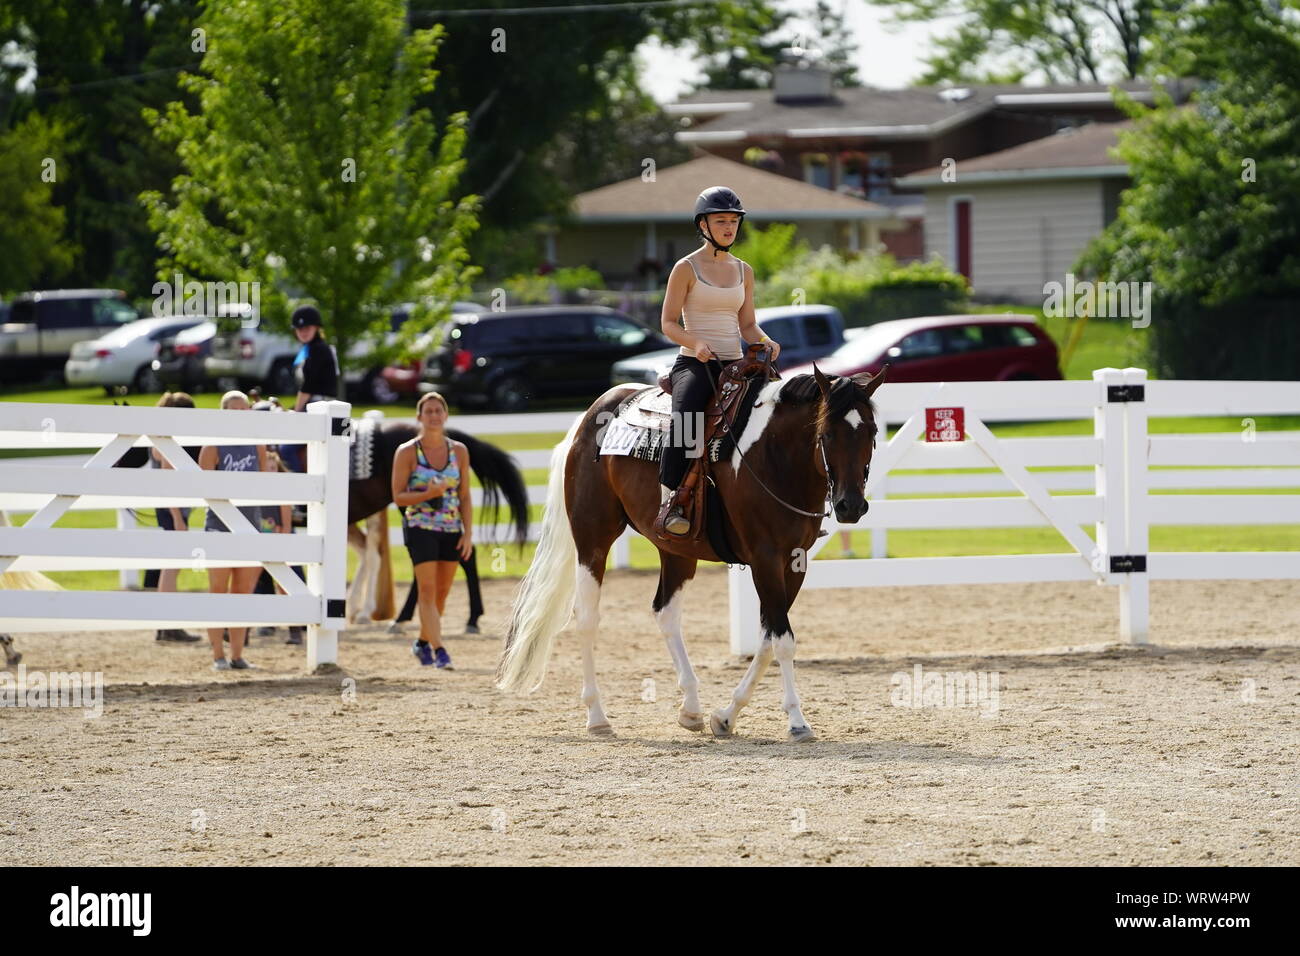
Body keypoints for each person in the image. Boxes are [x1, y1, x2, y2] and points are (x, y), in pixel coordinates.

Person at [656, 186, 782, 535]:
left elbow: (747, 324)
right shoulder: (686, 268)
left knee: (782, 410)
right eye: (721, 221)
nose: (729, 227)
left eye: (734, 221)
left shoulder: (745, 270)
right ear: (703, 225)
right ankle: (672, 502)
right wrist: (694, 342)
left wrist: (766, 342)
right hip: (695, 363)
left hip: (736, 365)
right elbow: (667, 323)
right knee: (687, 422)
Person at [391, 391, 473, 669]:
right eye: (429, 411)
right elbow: (399, 497)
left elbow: (464, 496)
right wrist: (428, 493)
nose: (434, 416)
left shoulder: (459, 451)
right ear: (419, 417)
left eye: (439, 410)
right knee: (426, 590)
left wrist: (468, 533)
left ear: (445, 415)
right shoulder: (407, 452)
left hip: (451, 528)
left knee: (441, 593)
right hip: (419, 527)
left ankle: (422, 643)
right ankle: (440, 650)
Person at [198, 390, 268, 671]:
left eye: (244, 410)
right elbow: (203, 488)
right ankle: (217, 655)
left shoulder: (258, 446)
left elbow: (265, 486)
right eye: (234, 410)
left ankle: (238, 655)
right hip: (219, 527)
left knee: (243, 592)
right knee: (218, 590)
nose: (240, 415)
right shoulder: (213, 446)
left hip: (251, 526)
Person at [146, 391, 202, 642]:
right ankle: (168, 624)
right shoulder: (167, 440)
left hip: (170, 507)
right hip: (173, 508)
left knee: (171, 565)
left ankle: (165, 624)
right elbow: (170, 482)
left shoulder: (160, 437)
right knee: (172, 566)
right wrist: (178, 517)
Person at [290, 304, 339, 412]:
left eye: (307, 328)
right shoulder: (308, 349)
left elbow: (309, 385)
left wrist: (295, 411)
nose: (303, 332)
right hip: (314, 405)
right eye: (299, 329)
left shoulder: (319, 349)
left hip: (320, 407)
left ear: (316, 328)